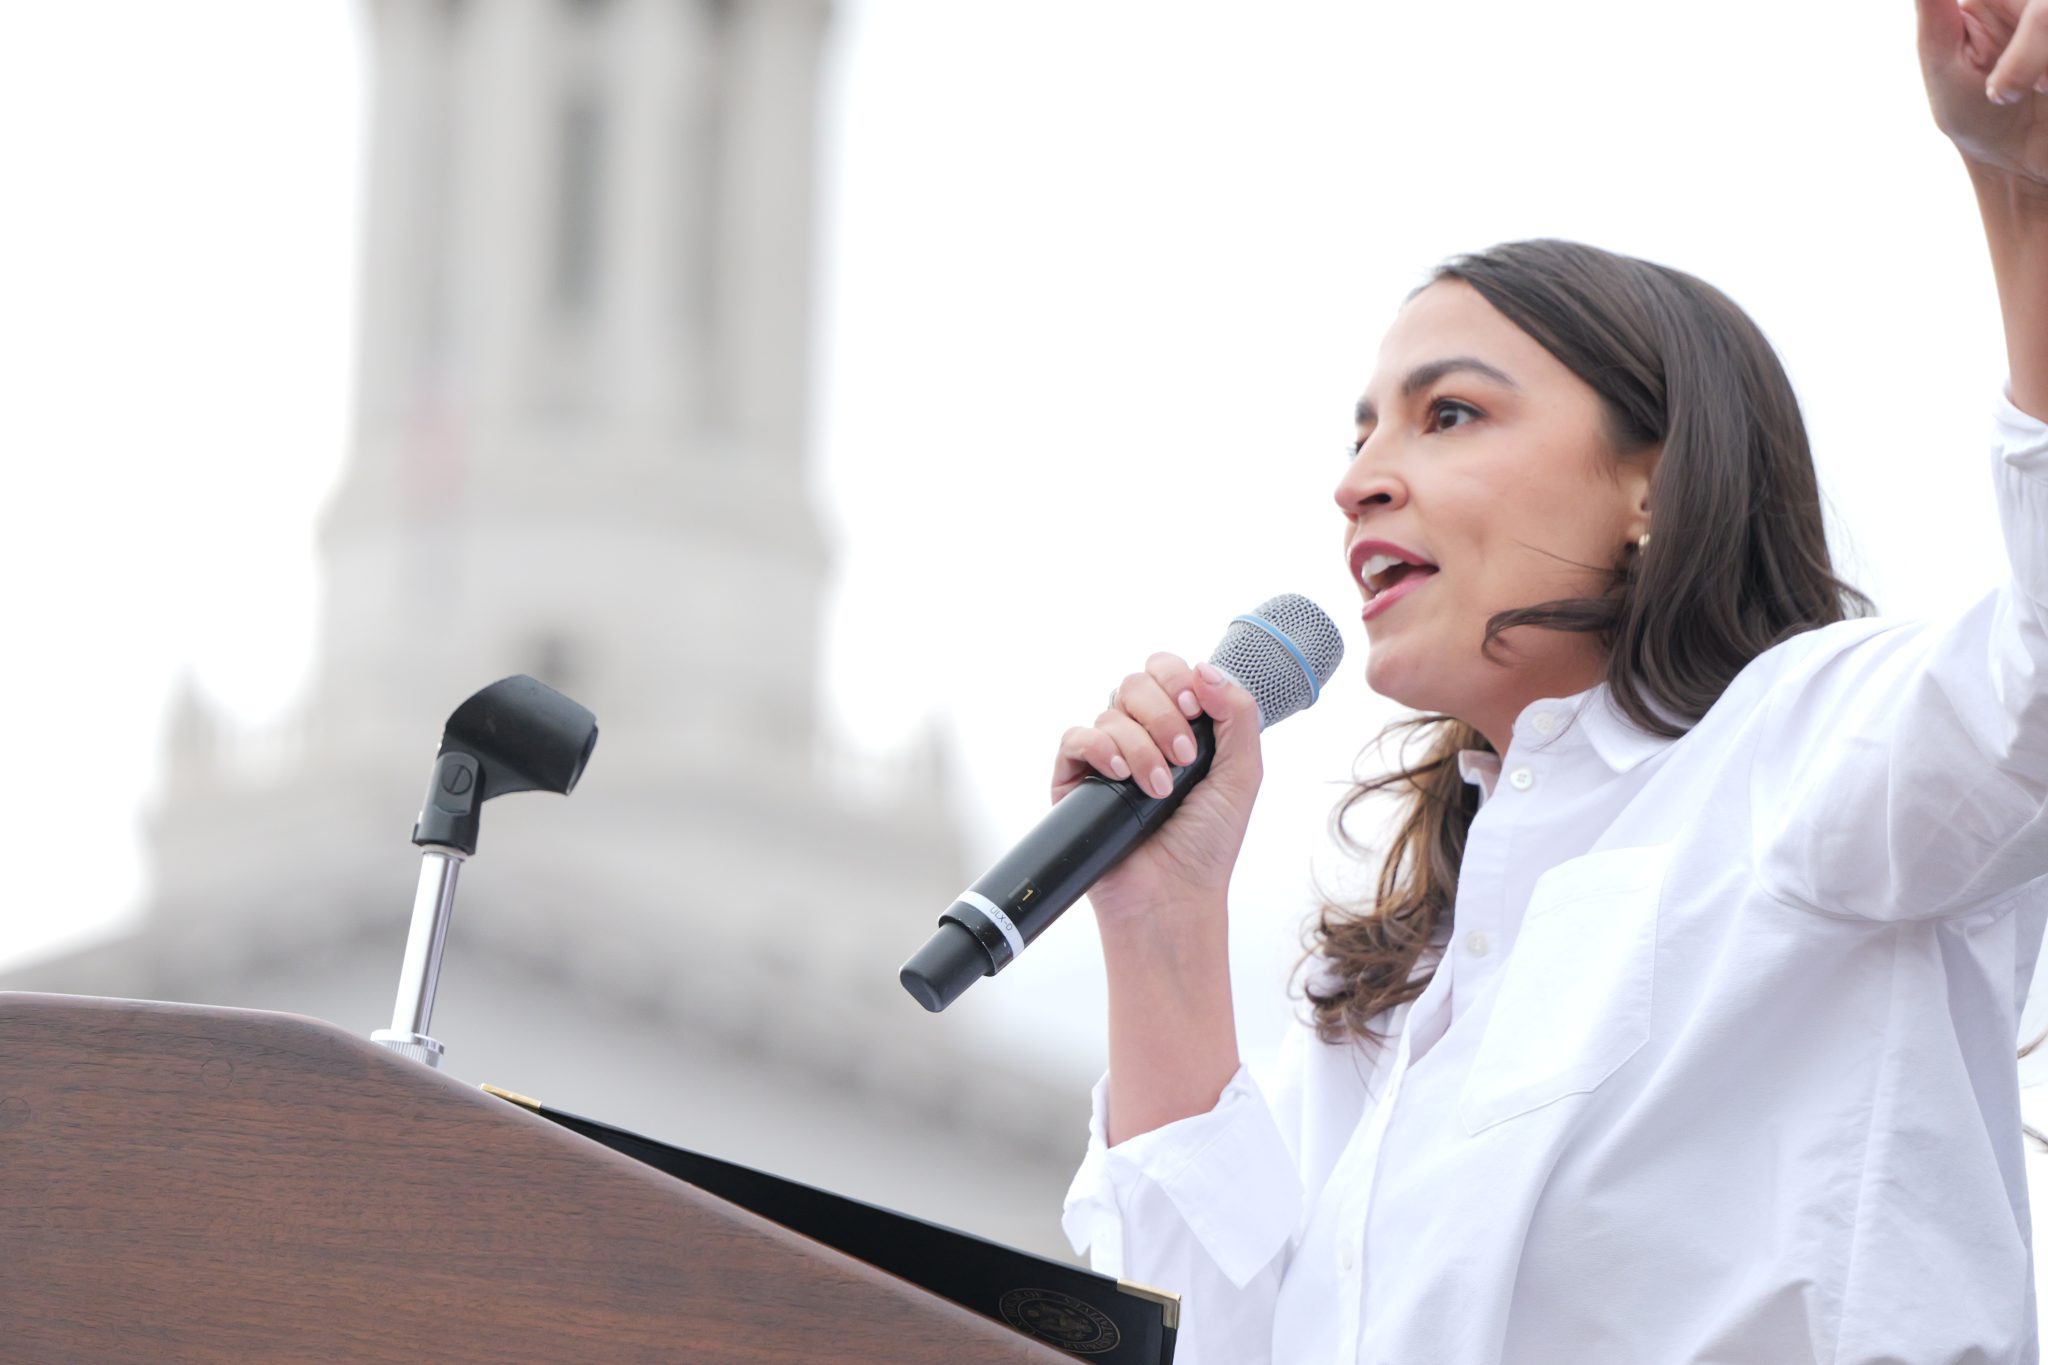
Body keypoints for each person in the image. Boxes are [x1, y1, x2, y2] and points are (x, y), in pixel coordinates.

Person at [1055, 3, 2048, 1361]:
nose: (1360, 479)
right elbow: (1210, 1338)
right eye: (1362, 433)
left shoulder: (1804, 757)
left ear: (1652, 476)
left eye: (1449, 412)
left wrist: (2020, 189)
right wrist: (1161, 924)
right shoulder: (1394, 998)